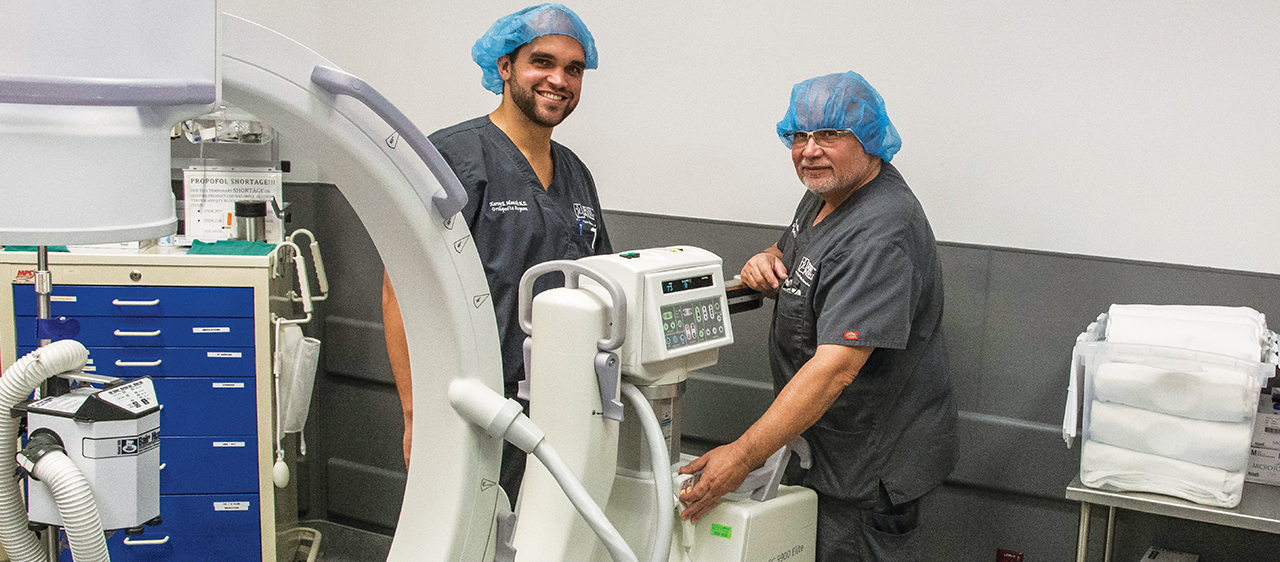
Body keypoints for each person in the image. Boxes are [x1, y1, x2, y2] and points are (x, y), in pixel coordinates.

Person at [677, 72, 958, 561]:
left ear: (868, 139)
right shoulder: (827, 194)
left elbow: (835, 368)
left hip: (867, 468)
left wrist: (742, 457)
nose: (809, 150)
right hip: (827, 451)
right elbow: (795, 253)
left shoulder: (879, 233)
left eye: (829, 134)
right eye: (799, 135)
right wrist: (763, 260)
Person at [382, 3, 611, 508]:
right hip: (475, 405)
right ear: (505, 66)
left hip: (564, 405)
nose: (559, 80)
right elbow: (400, 288)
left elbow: (600, 279)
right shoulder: (452, 157)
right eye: (542, 62)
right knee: (470, 530)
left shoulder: (575, 172)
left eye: (574, 69)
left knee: (545, 534)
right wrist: (416, 412)